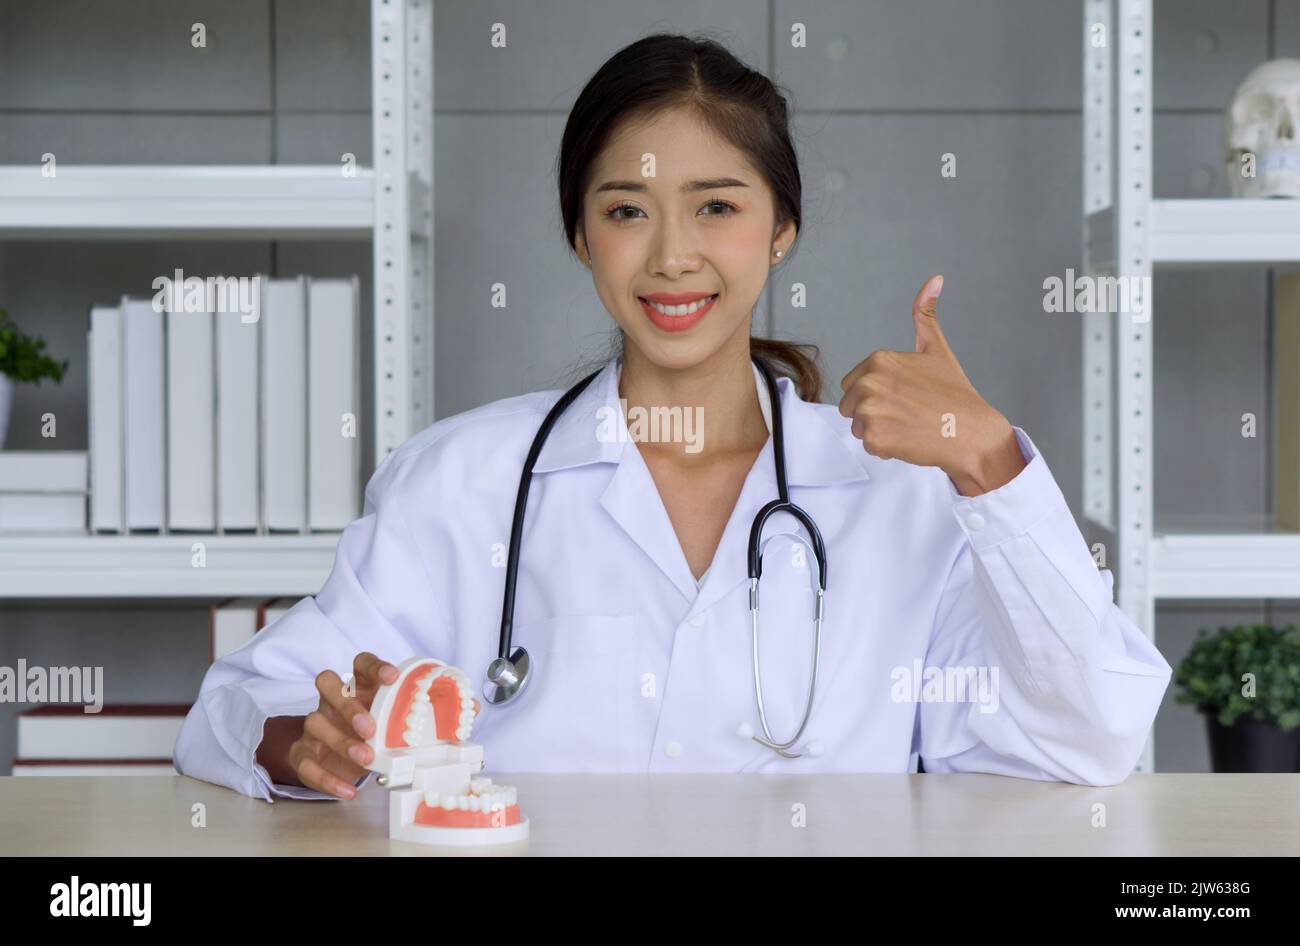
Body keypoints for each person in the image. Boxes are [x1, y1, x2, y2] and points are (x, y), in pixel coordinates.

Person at [174, 33, 1171, 802]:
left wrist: (989, 458)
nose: (670, 257)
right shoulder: (465, 481)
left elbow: (1090, 736)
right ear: (579, 233)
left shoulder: (904, 499)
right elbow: (235, 706)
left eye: (716, 206)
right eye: (625, 210)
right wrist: (301, 741)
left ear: (781, 230)